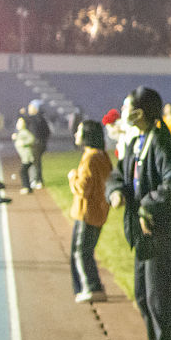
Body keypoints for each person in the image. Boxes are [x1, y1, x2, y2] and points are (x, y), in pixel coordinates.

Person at [106, 87, 171, 340]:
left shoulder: (162, 143)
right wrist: (115, 192)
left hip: (161, 230)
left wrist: (145, 208)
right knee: (142, 294)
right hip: (143, 233)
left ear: (138, 113)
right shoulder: (137, 141)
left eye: (126, 106)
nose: (122, 110)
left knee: (157, 295)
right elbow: (118, 174)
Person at [67, 120, 113, 302]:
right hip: (98, 211)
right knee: (85, 250)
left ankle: (91, 288)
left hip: (86, 212)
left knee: (81, 251)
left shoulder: (91, 157)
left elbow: (83, 188)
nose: (76, 134)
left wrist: (72, 177)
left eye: (79, 131)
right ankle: (91, 286)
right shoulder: (102, 155)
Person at [25, 100, 50, 189]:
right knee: (36, 162)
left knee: (35, 163)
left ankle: (37, 180)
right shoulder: (41, 118)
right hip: (40, 143)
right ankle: (36, 180)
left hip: (36, 144)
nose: (28, 108)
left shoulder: (33, 119)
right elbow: (48, 132)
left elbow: (33, 132)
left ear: (35, 108)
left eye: (30, 107)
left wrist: (37, 140)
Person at [13, 115, 36, 194]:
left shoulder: (24, 132)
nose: (18, 124)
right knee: (24, 172)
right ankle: (28, 187)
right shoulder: (20, 133)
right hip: (25, 157)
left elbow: (32, 139)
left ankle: (27, 187)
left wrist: (23, 143)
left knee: (23, 172)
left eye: (19, 123)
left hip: (27, 157)